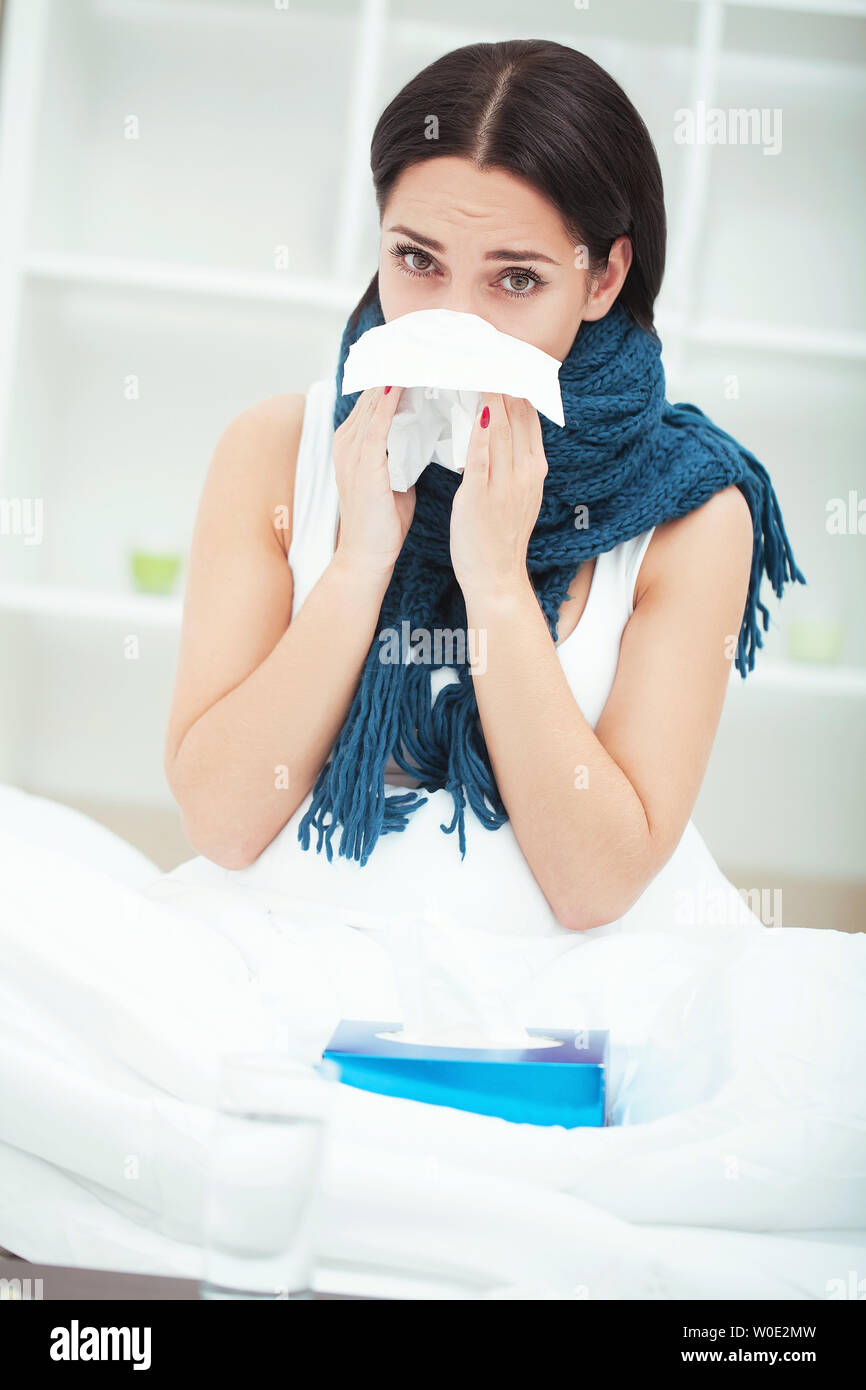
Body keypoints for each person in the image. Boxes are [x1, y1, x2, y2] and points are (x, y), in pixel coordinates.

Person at [159, 40, 801, 948]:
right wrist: (359, 566)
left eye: (516, 278)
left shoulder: (691, 517)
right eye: (418, 261)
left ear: (603, 277)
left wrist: (496, 581)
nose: (453, 320)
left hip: (565, 1000)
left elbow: (597, 883)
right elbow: (222, 823)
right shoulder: (275, 451)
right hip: (294, 954)